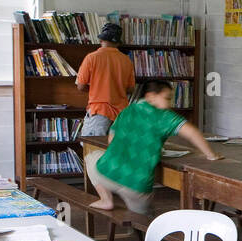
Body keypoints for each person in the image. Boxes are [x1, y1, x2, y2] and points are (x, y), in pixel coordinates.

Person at [87, 79, 222, 213]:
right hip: (136, 186)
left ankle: (106, 199)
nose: (170, 104)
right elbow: (192, 133)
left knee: (91, 157)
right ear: (150, 96)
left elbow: (111, 140)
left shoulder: (128, 110)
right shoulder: (165, 116)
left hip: (107, 174)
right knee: (144, 218)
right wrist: (212, 155)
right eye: (167, 98)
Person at [75, 22, 136, 137]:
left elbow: (81, 86)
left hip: (99, 111)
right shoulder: (127, 61)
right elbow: (130, 89)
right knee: (117, 151)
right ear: (117, 43)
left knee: (93, 150)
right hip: (121, 113)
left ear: (100, 40)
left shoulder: (91, 58)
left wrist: (98, 88)